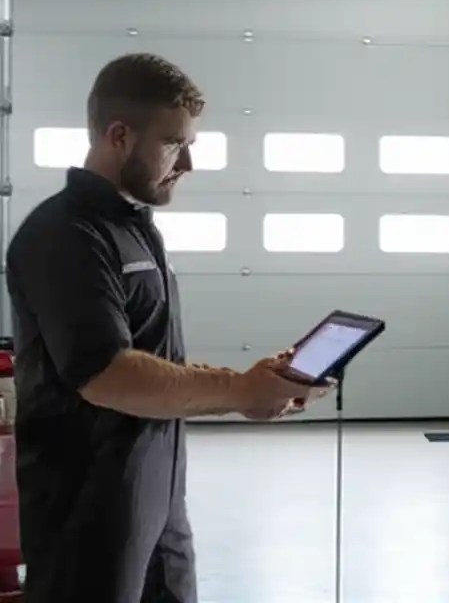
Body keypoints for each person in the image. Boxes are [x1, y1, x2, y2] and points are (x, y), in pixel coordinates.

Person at [4, 52, 328, 603]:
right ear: (120, 135)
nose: (188, 165)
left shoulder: (136, 230)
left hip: (157, 497)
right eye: (175, 144)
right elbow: (110, 375)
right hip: (86, 515)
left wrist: (250, 383)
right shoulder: (65, 236)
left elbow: (152, 355)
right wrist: (239, 391)